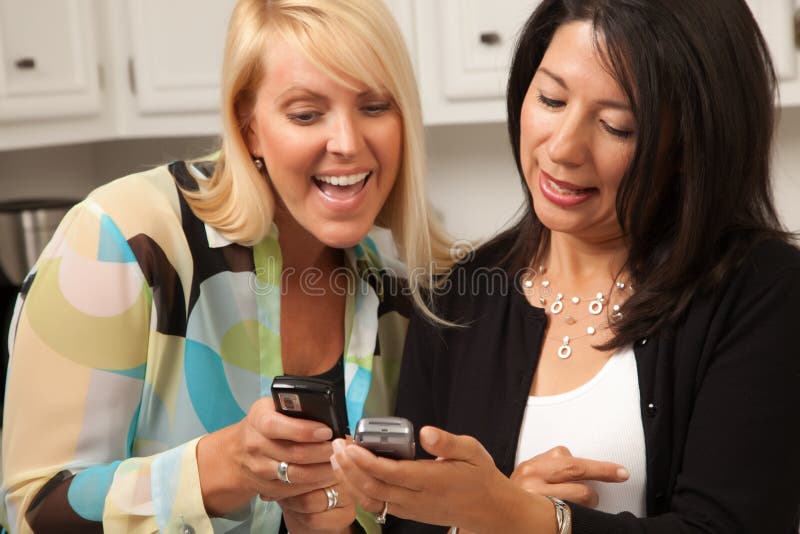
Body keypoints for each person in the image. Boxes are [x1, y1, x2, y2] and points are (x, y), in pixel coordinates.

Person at [332, 0, 800, 532]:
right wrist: (497, 507)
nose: (563, 147)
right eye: (551, 99)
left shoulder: (764, 293)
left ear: (690, 146)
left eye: (616, 126)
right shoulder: (457, 295)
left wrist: (518, 514)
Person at [0, 0, 454, 532]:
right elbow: (31, 508)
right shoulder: (123, 237)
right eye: (306, 113)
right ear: (250, 127)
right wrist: (223, 468)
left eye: (375, 106)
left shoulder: (397, 296)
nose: (348, 144)